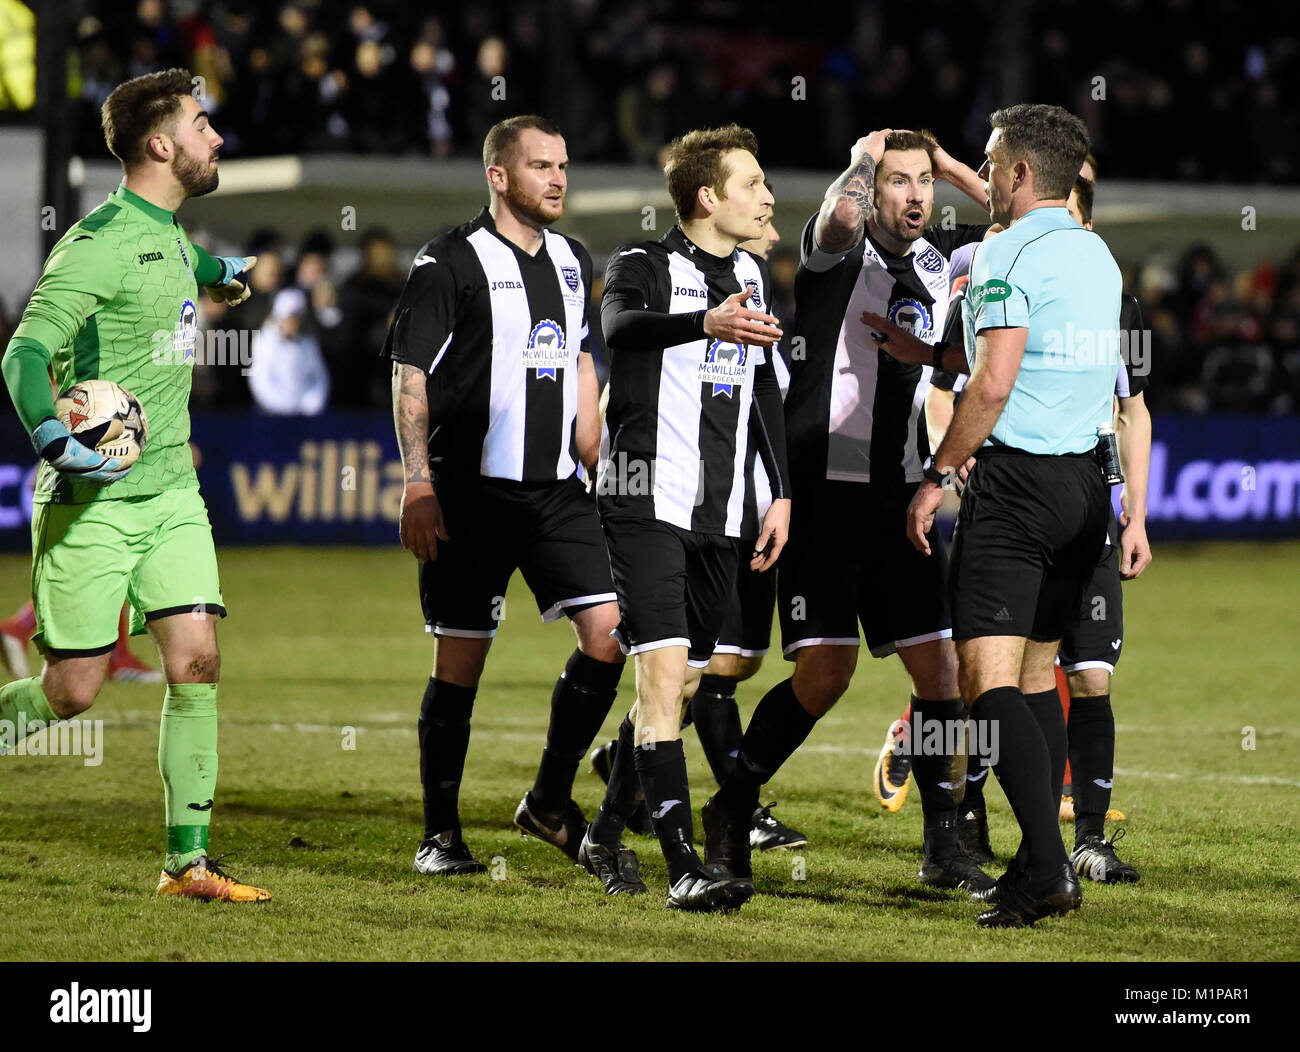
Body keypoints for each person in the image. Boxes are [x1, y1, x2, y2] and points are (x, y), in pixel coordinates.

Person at [699, 128, 996, 897]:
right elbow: (835, 215)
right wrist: (864, 162)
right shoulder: (841, 248)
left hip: (900, 497)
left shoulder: (937, 264)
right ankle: (730, 809)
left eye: (923, 183)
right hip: (823, 494)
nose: (916, 196)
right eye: (899, 181)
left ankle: (943, 844)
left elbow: (1011, 206)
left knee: (941, 673)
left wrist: (950, 164)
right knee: (824, 674)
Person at [0, 68, 268, 901]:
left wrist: (220, 270)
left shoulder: (166, 232)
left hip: (171, 497)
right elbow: (24, 354)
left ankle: (186, 863)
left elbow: (183, 257)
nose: (216, 137)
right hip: (92, 505)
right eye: (201, 123)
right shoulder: (97, 243)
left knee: (197, 662)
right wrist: (53, 437)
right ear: (162, 145)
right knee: (73, 690)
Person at [867, 173, 1151, 887]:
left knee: (1042, 676)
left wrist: (939, 477)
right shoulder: (1004, 263)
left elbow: (1120, 404)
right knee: (1002, 681)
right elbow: (962, 382)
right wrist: (947, 450)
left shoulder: (1076, 276)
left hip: (1045, 489)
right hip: (1048, 486)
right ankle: (972, 821)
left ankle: (1061, 852)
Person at [385, 115, 625, 878]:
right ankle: (439, 834)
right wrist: (417, 481)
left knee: (611, 634)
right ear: (498, 177)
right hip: (468, 495)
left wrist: (596, 447)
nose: (558, 178)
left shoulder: (572, 259)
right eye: (541, 166)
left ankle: (549, 802)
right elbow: (411, 374)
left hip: (558, 493)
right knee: (460, 663)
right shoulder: (448, 262)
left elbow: (584, 361)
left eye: (563, 164)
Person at [902, 103, 1121, 927]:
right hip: (1083, 494)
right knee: (1035, 678)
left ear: (1020, 173)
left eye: (991, 165)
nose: (983, 177)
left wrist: (937, 474)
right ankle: (1039, 859)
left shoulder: (1003, 252)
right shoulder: (1097, 254)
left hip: (1017, 488)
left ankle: (1046, 873)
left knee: (984, 681)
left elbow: (990, 384)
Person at [582, 124, 791, 912]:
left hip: (723, 511)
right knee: (666, 677)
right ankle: (682, 868)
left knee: (685, 678)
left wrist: (781, 491)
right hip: (644, 498)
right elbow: (619, 330)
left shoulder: (752, 274)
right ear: (708, 197)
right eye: (752, 182)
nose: (766, 197)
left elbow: (764, 386)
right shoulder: (643, 262)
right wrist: (704, 324)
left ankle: (606, 829)